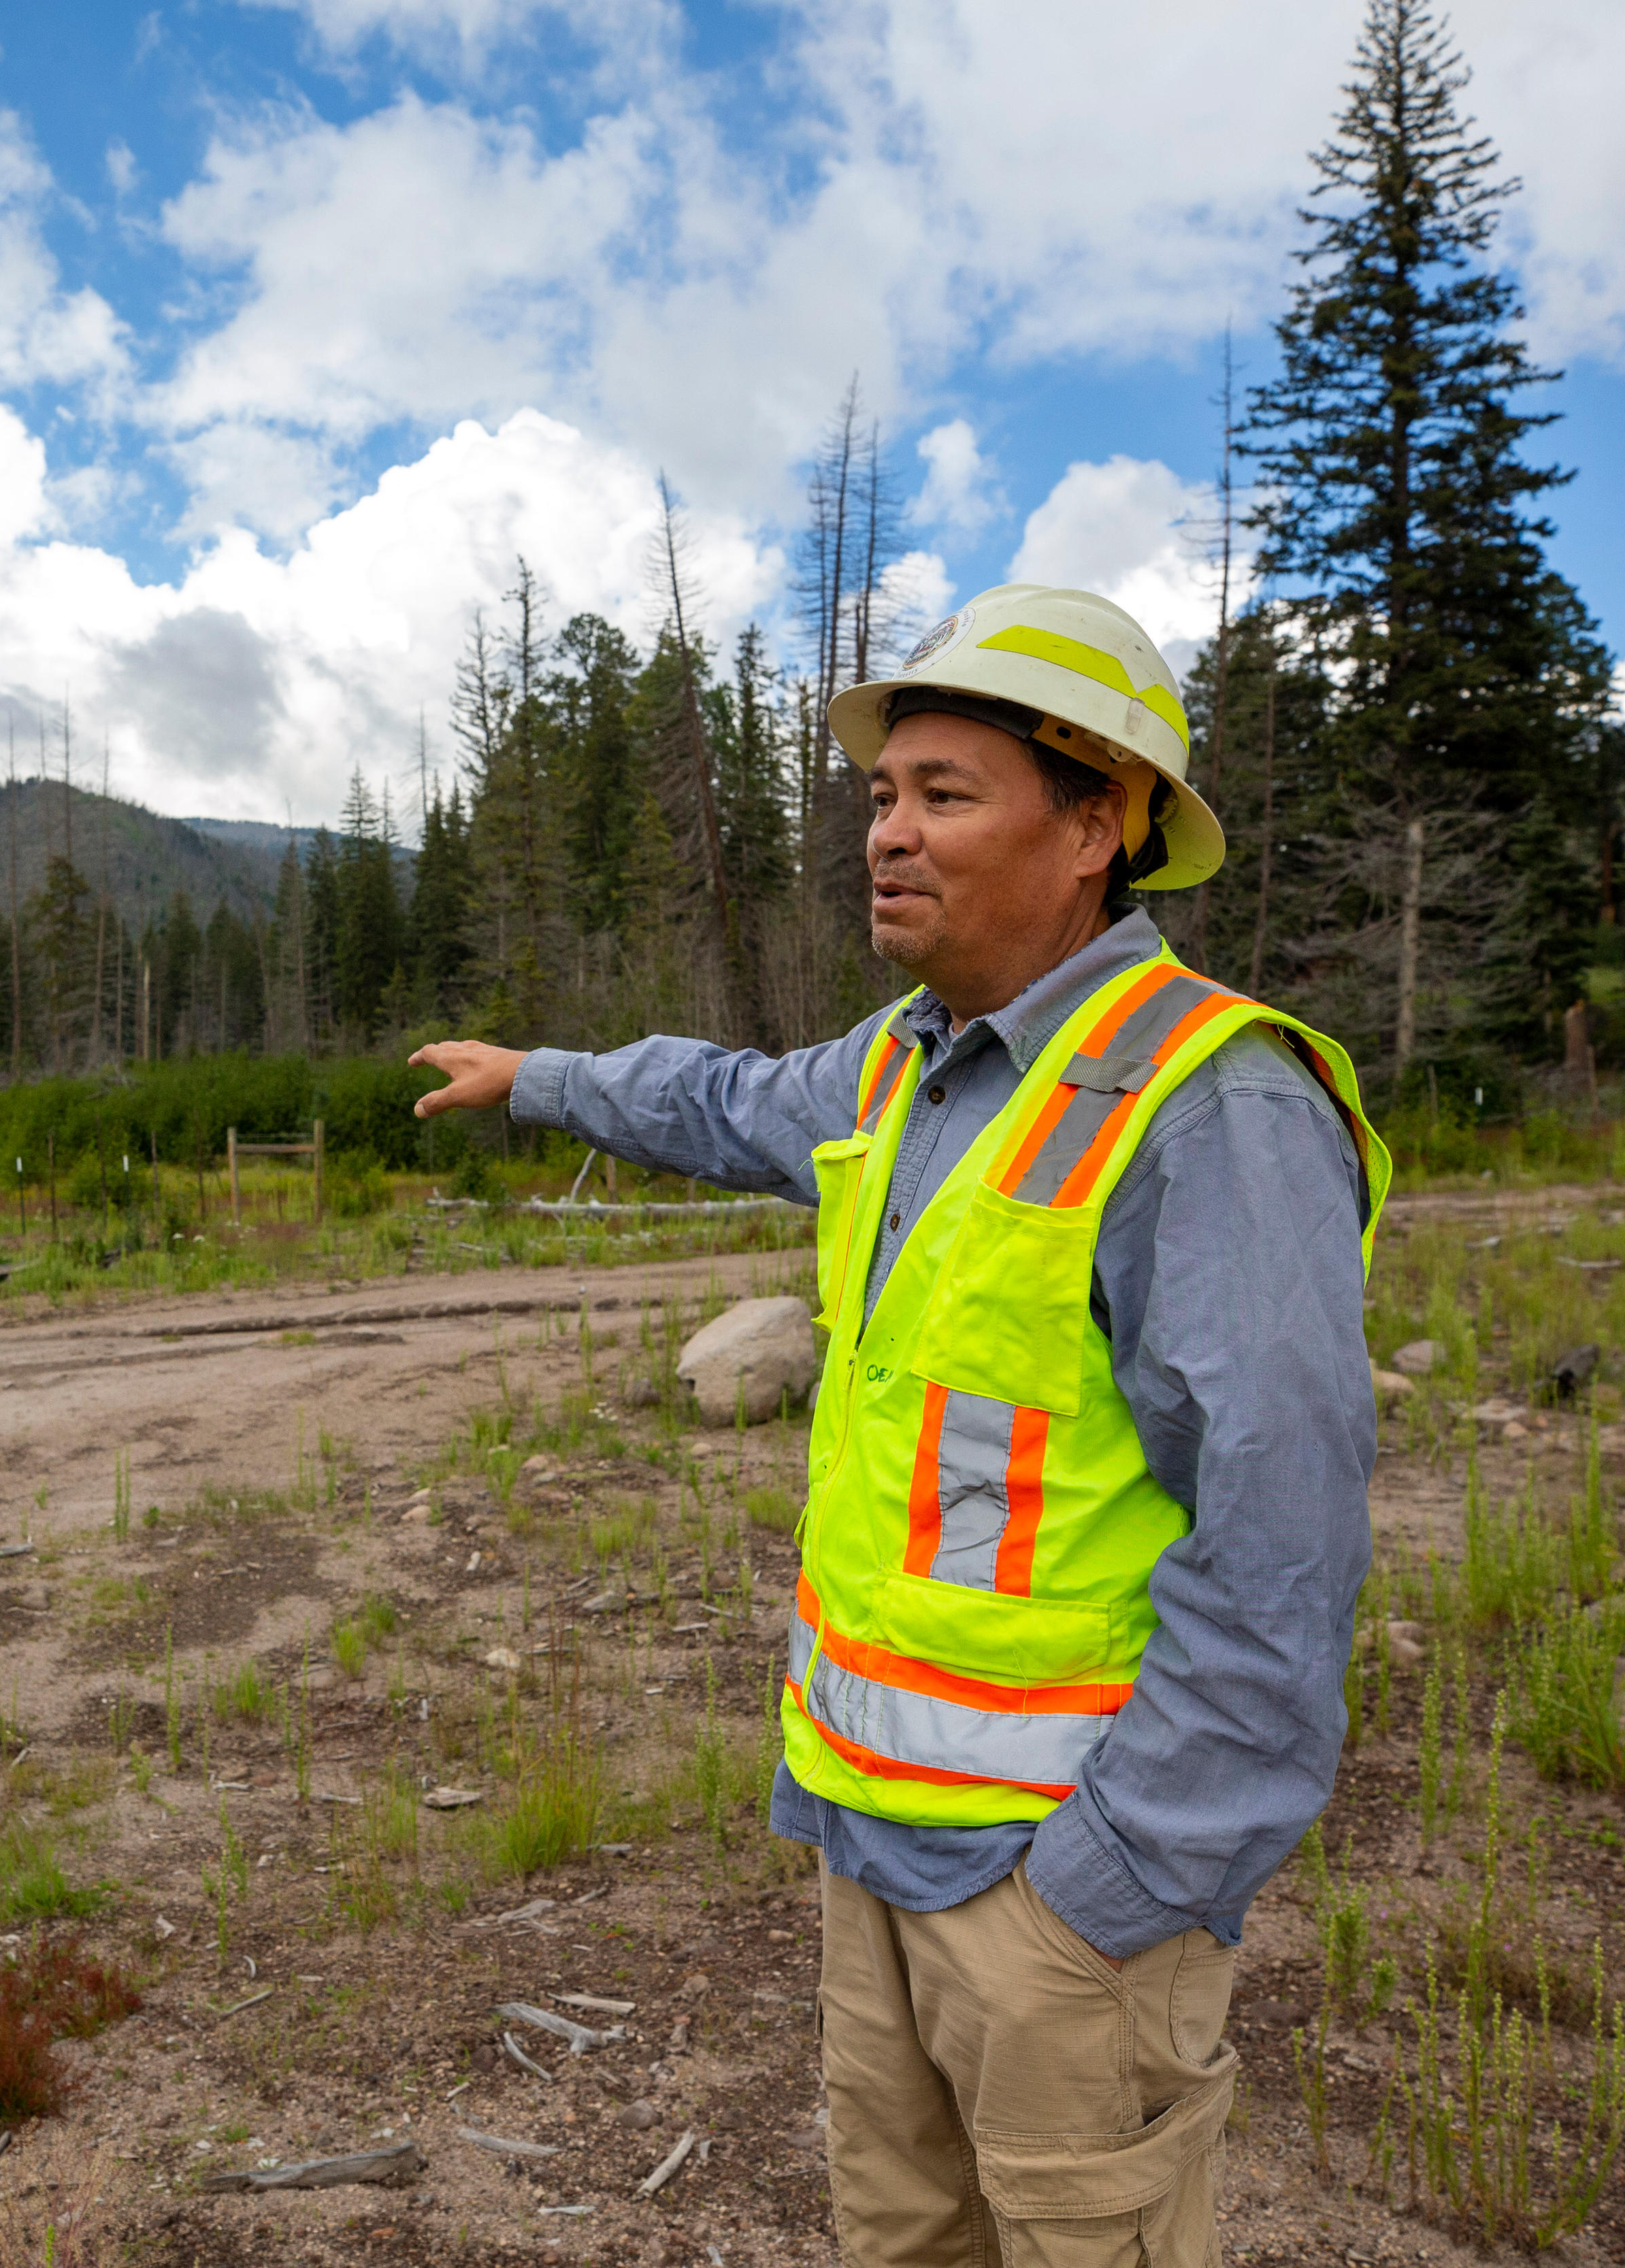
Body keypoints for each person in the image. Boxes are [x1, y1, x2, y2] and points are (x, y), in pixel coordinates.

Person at [409, 584, 1389, 2267]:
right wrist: (545, 1076)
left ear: (1099, 822)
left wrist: (1116, 1886)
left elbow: (1280, 1539)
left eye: (946, 793)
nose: (889, 832)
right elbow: (725, 1098)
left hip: (1060, 1892)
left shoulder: (1208, 1098)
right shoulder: (906, 1064)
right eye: (882, 794)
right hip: (866, 1838)